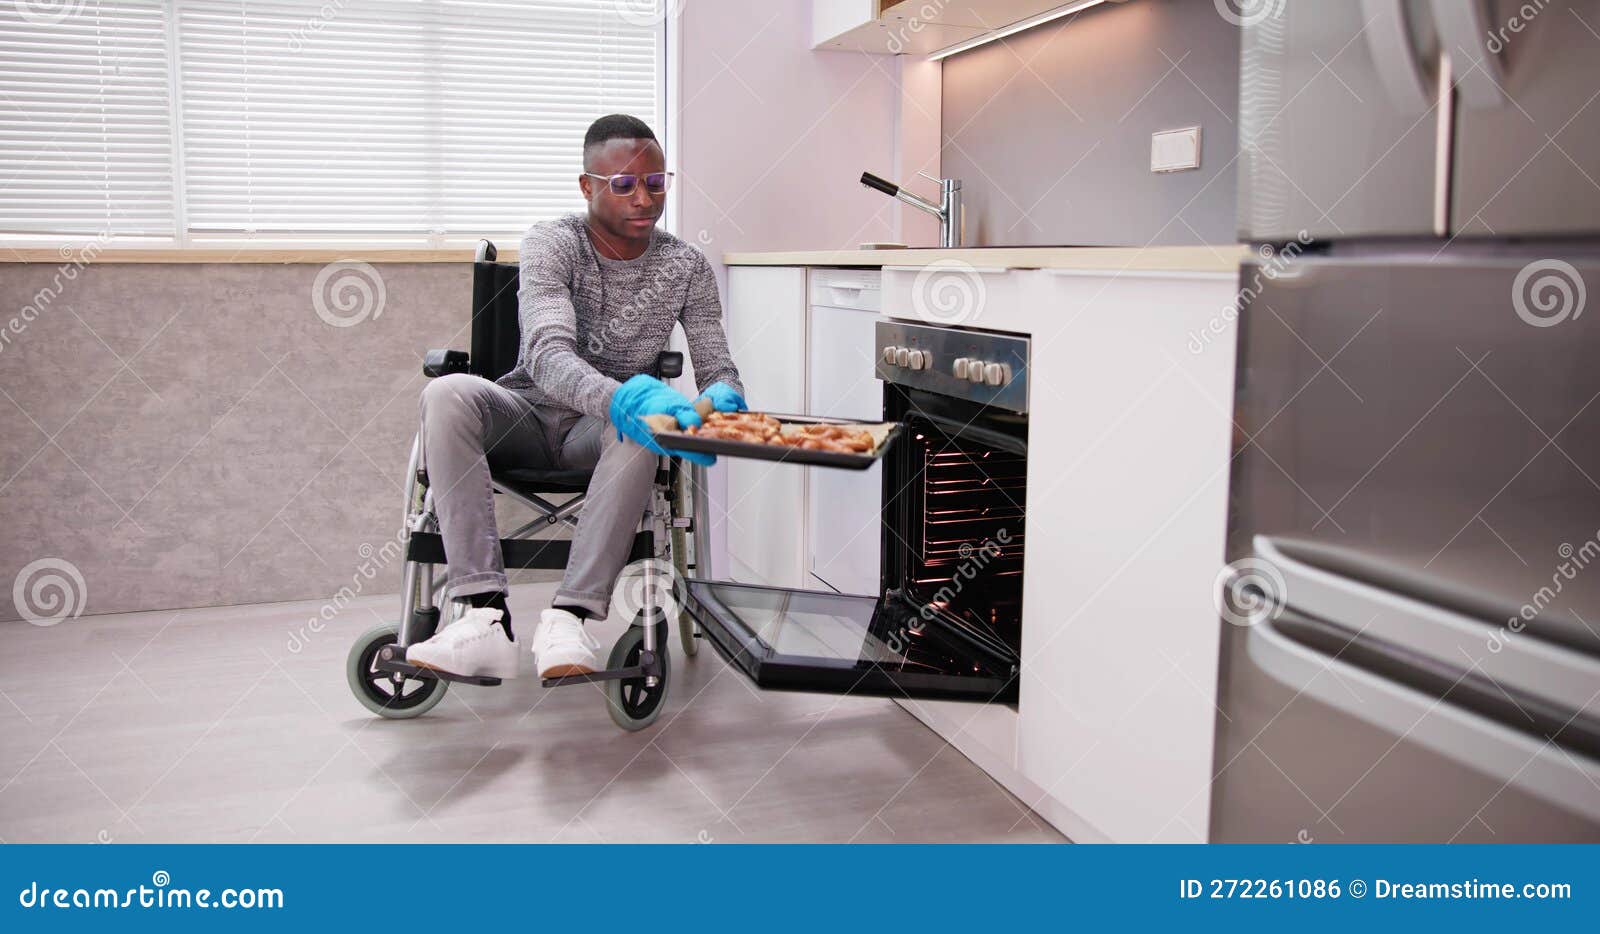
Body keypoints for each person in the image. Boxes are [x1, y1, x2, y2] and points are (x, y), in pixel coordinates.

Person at [404, 113, 746, 680]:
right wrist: (623, 397)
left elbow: (719, 364)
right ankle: (483, 617)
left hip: (603, 440)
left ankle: (568, 619)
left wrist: (723, 396)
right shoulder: (552, 243)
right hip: (527, 416)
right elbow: (547, 356)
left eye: (656, 182)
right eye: (624, 184)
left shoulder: (685, 265)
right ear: (587, 186)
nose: (644, 197)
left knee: (645, 431)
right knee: (448, 393)